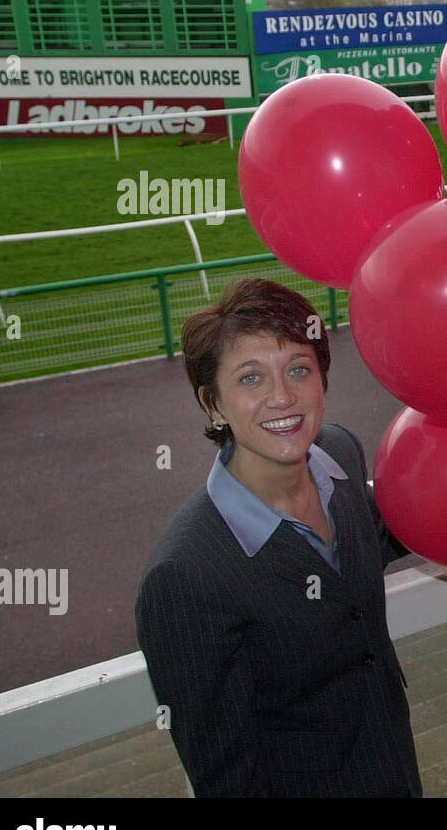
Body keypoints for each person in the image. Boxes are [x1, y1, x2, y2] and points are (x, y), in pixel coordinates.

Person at [135, 277, 422, 797]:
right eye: (250, 379)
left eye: (298, 369)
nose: (282, 397)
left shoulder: (341, 454)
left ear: (322, 380)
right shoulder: (185, 578)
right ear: (213, 404)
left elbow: (371, 541)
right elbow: (227, 778)